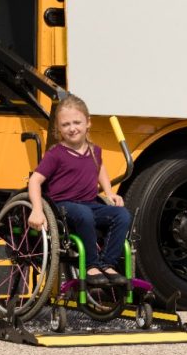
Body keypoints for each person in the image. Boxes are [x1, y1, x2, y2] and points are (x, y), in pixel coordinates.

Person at [27, 95, 131, 286]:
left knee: (122, 215)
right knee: (84, 214)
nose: (72, 128)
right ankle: (91, 266)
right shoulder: (56, 154)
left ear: (87, 123)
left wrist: (109, 193)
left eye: (77, 122)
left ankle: (107, 264)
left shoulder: (94, 150)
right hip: (63, 206)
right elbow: (34, 180)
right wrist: (37, 209)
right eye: (66, 124)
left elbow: (100, 168)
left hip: (90, 204)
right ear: (58, 128)